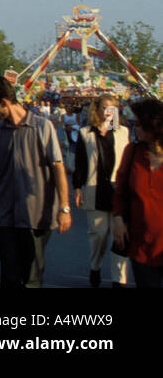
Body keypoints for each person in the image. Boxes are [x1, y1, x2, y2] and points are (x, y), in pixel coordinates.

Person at [0, 77, 72, 288]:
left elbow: (58, 168)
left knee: (31, 276)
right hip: (5, 213)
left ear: (5, 102)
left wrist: (64, 207)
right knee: (9, 274)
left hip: (36, 215)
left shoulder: (41, 127)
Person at [73, 95, 129, 287]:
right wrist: (77, 187)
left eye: (112, 108)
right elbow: (80, 163)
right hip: (95, 189)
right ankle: (95, 267)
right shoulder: (86, 133)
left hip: (119, 190)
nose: (108, 112)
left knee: (120, 237)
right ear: (96, 110)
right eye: (104, 107)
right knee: (99, 235)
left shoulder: (124, 132)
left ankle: (118, 279)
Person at [112, 98, 163, 288]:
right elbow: (120, 191)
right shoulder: (132, 151)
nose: (135, 128)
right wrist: (117, 218)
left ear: (155, 126)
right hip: (140, 243)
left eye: (140, 124)